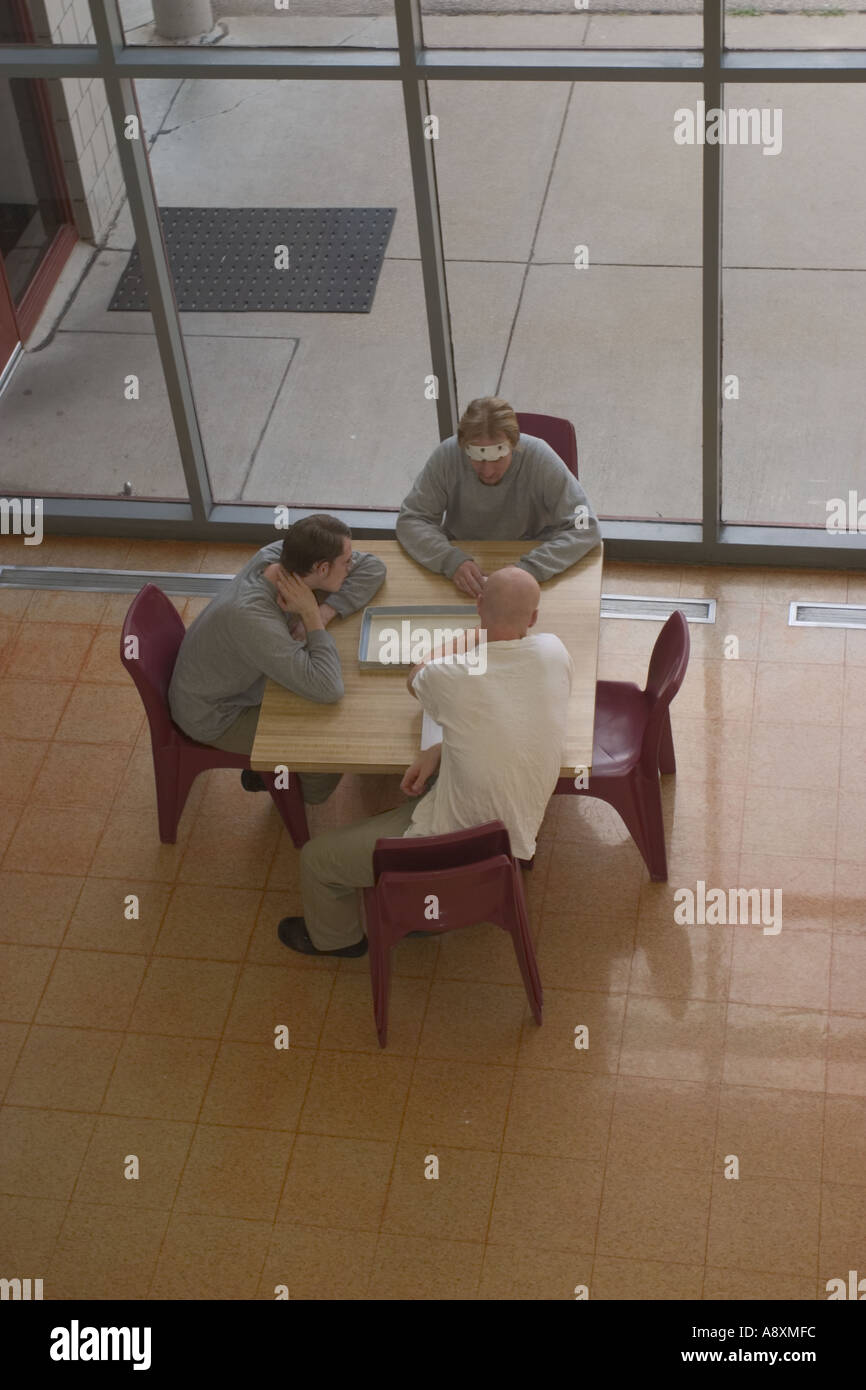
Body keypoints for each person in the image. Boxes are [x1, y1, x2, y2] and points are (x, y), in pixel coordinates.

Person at [276, 566, 573, 956]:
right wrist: (439, 749)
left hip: (455, 848)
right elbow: (506, 709)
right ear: (533, 618)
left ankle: (338, 942)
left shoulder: (452, 676)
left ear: (478, 605)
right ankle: (431, 906)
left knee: (316, 860)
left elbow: (417, 674)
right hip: (511, 837)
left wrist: (477, 631)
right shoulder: (554, 651)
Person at [168, 514, 386, 804]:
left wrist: (325, 610)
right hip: (216, 714)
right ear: (321, 568)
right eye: (346, 563)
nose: (352, 566)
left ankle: (277, 764)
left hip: (240, 676)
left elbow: (373, 567)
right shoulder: (253, 619)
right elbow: (328, 688)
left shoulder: (278, 557)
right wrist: (310, 616)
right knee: (333, 738)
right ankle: (287, 787)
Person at [396, 395, 601, 598]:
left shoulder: (539, 456)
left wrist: (529, 569)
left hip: (530, 557)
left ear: (514, 444)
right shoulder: (447, 456)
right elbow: (412, 519)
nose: (487, 471)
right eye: (476, 458)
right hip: (462, 561)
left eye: (498, 458)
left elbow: (585, 526)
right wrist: (450, 560)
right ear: (462, 445)